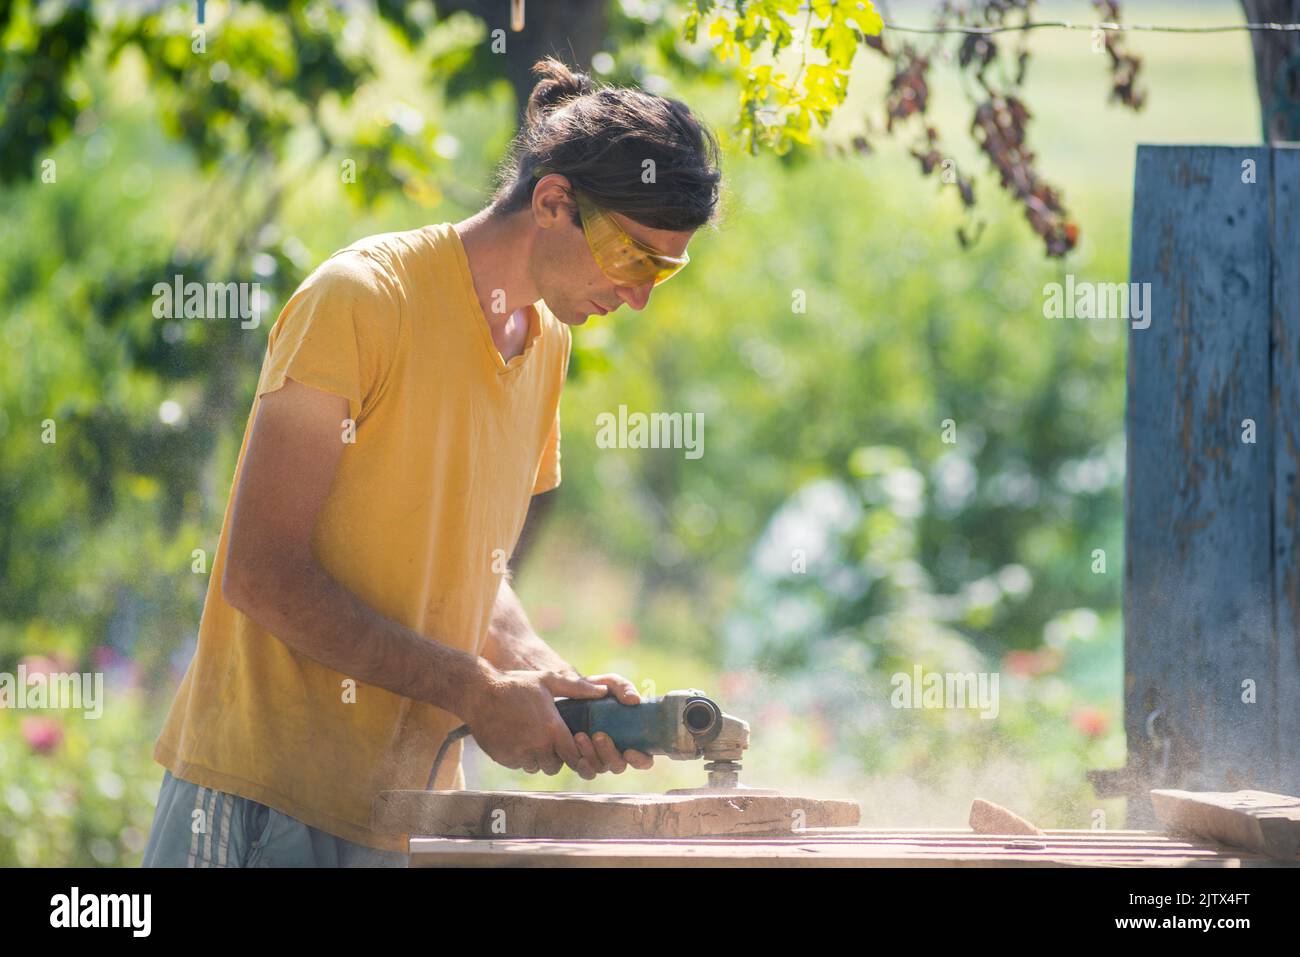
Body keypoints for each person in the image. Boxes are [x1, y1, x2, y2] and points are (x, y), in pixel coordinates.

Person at [141, 57, 723, 867]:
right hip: (256, 801)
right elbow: (261, 573)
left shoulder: (547, 344)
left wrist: (550, 681)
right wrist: (474, 690)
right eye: (636, 260)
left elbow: (475, 576)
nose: (640, 297)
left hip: (408, 822)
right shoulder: (359, 301)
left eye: (667, 271)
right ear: (554, 202)